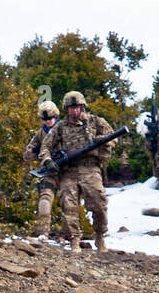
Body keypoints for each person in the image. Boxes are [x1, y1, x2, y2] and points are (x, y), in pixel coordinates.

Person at [38, 91, 117, 252]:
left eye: (77, 107)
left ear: (82, 107)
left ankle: (100, 236)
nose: (74, 111)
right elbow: (45, 146)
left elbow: (113, 138)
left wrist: (101, 141)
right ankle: (74, 239)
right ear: (66, 109)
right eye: (70, 108)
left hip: (90, 169)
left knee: (99, 204)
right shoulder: (60, 127)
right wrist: (48, 161)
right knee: (69, 206)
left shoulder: (96, 122)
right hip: (69, 171)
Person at [24, 101, 60, 238]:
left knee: (70, 201)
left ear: (55, 116)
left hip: (67, 170)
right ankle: (43, 232)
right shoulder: (39, 134)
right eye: (45, 119)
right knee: (45, 197)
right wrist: (36, 150)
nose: (48, 121)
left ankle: (72, 234)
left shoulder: (64, 129)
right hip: (48, 170)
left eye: (51, 118)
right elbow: (26, 156)